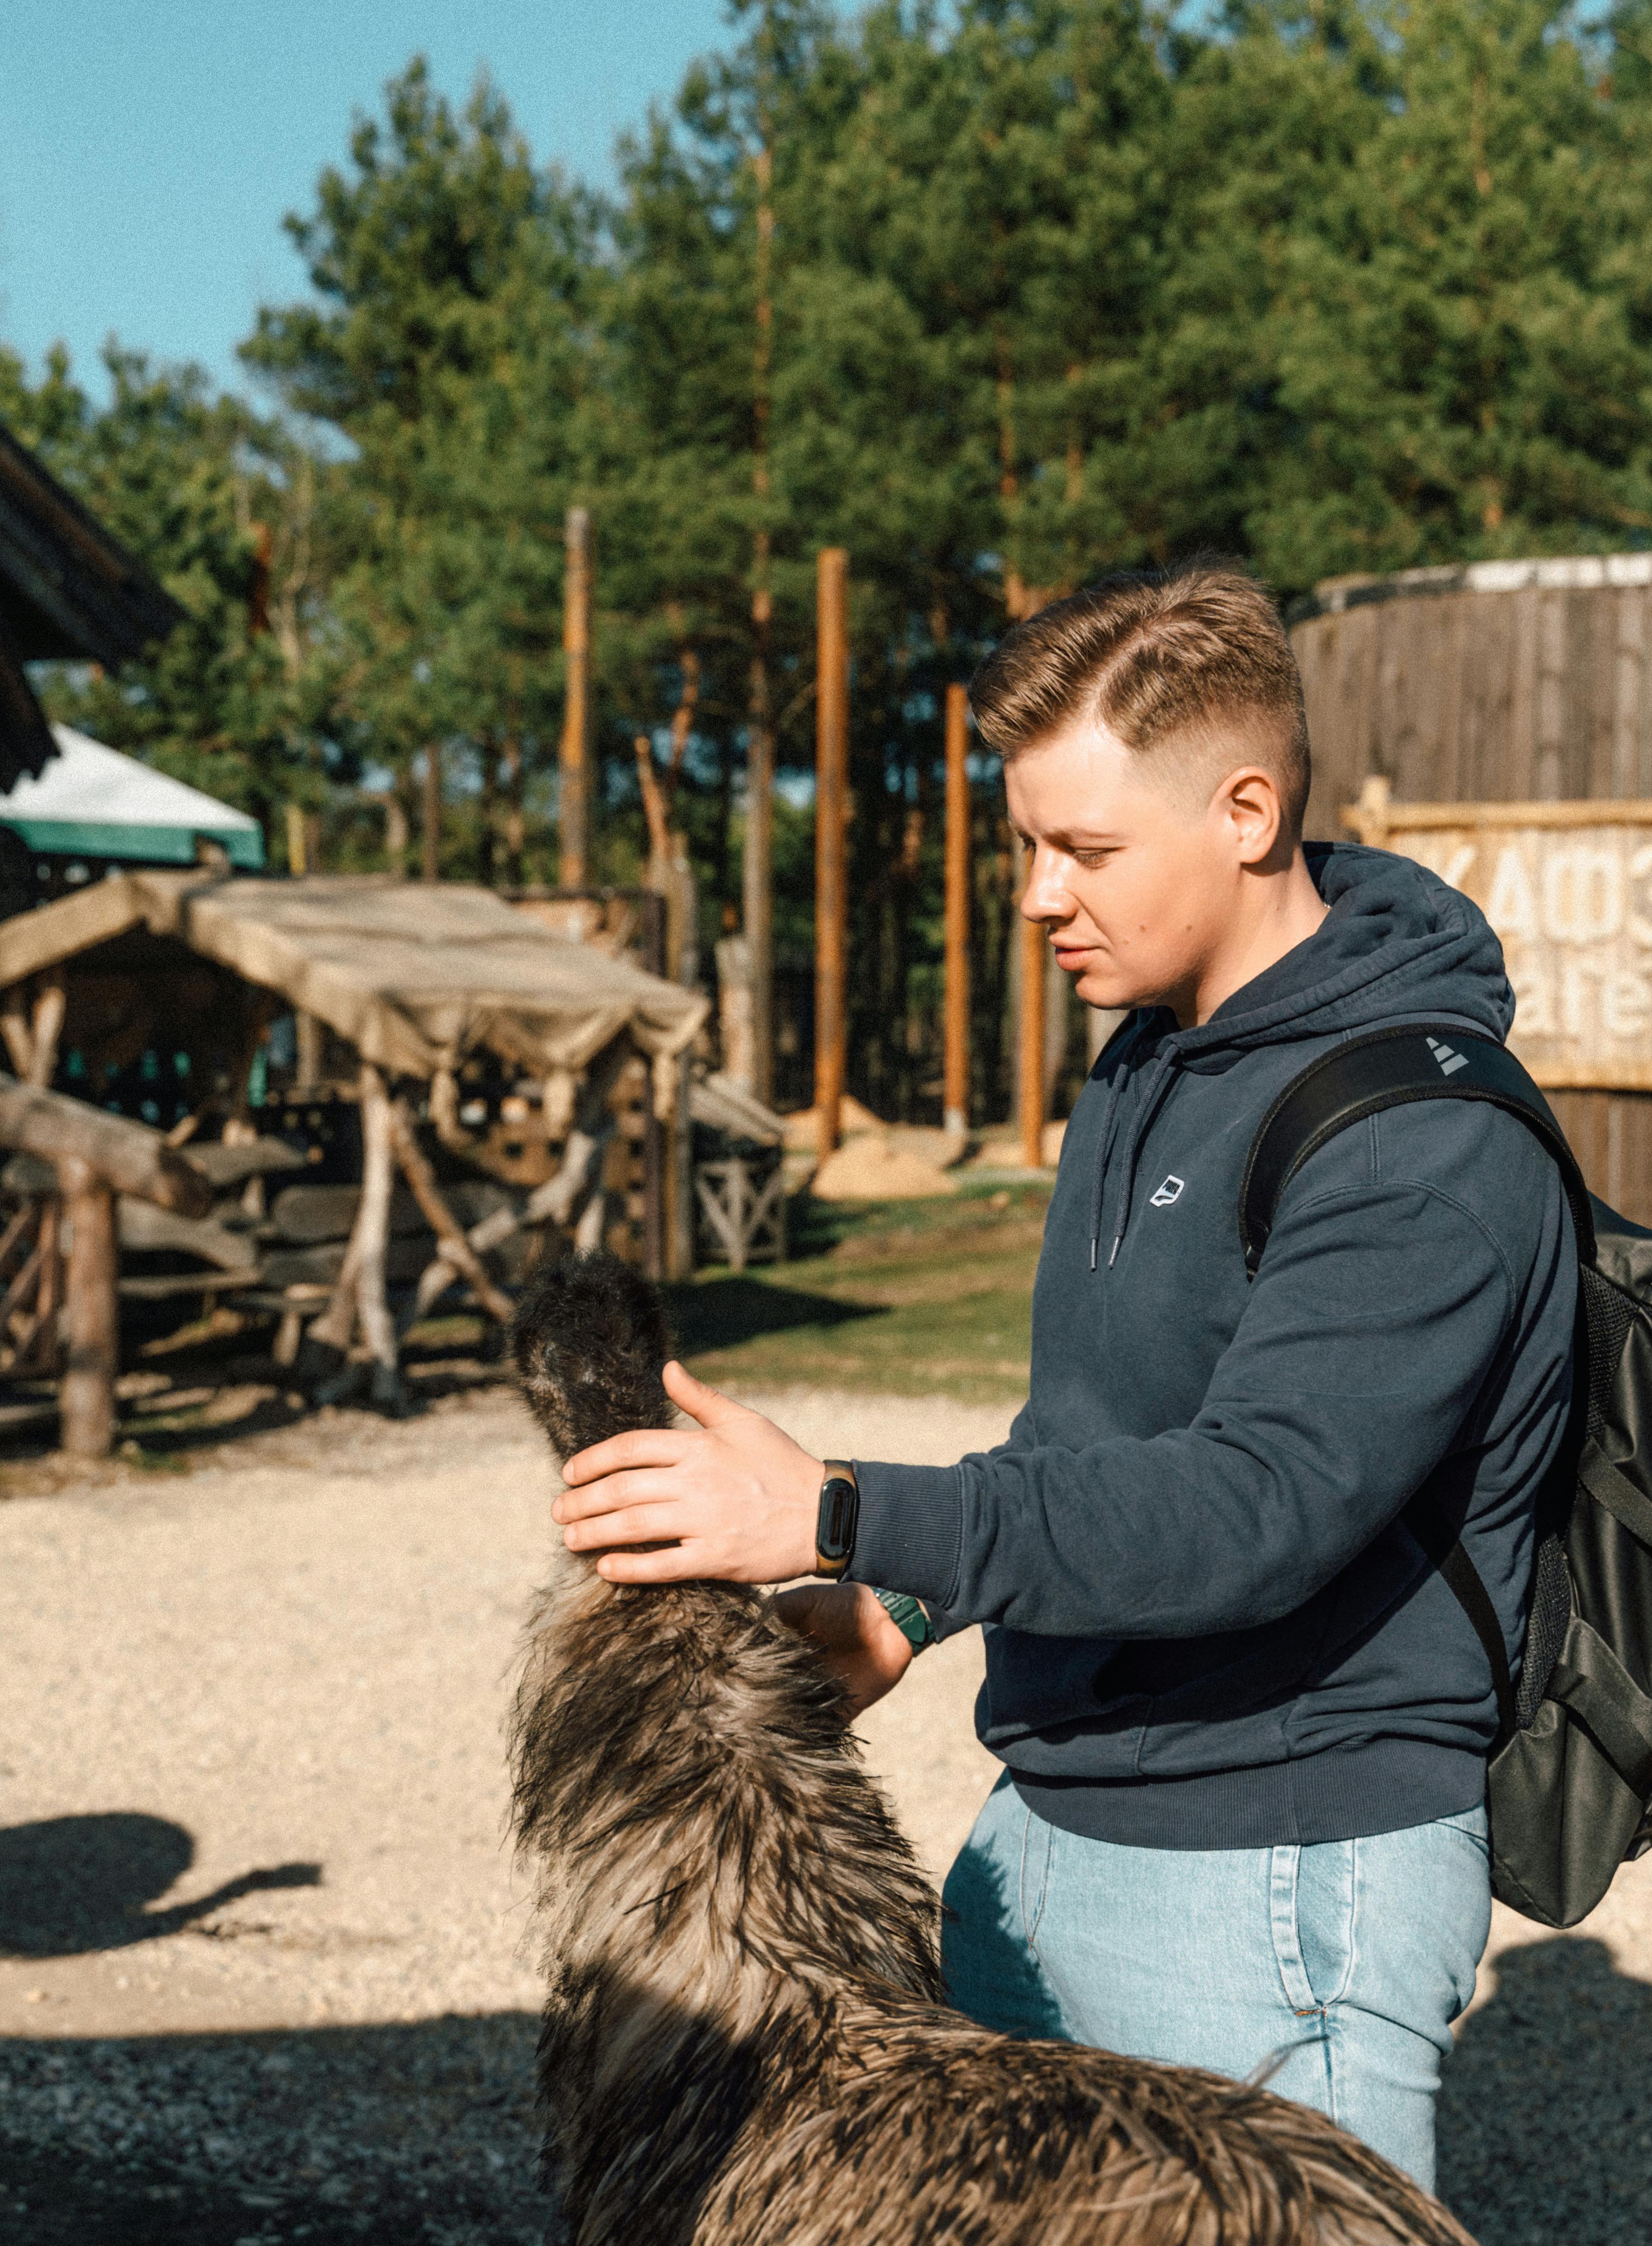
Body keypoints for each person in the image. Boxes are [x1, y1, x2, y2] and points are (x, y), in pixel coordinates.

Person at [549, 560, 1576, 2192]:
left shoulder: (1422, 1138)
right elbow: (1095, 1435)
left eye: (1086, 851)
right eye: (1027, 846)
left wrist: (837, 1512)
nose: (1038, 896)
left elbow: (1256, 1509)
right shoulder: (1153, 1054)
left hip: (1275, 1872)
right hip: (1057, 1819)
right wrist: (907, 1604)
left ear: (1247, 813)